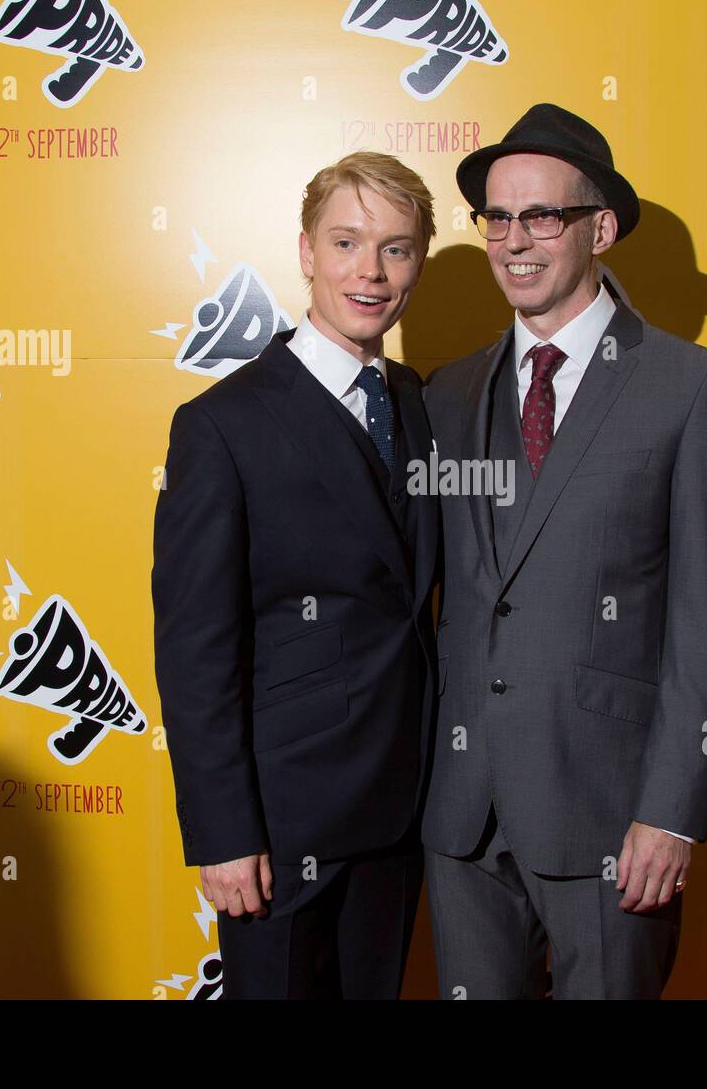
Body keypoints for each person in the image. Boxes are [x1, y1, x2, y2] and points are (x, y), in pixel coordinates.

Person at [422, 103, 707, 999]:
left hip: (613, 822)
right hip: (461, 819)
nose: (514, 240)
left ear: (599, 228)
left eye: (543, 216)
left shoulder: (691, 389)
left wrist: (673, 814)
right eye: (497, 217)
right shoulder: (446, 396)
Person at [152, 152, 439, 999]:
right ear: (307, 251)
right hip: (279, 828)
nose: (370, 271)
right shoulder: (222, 425)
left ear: (418, 261)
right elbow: (196, 649)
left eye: (396, 248)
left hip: (403, 809)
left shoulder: (417, 404)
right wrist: (222, 832)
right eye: (346, 242)